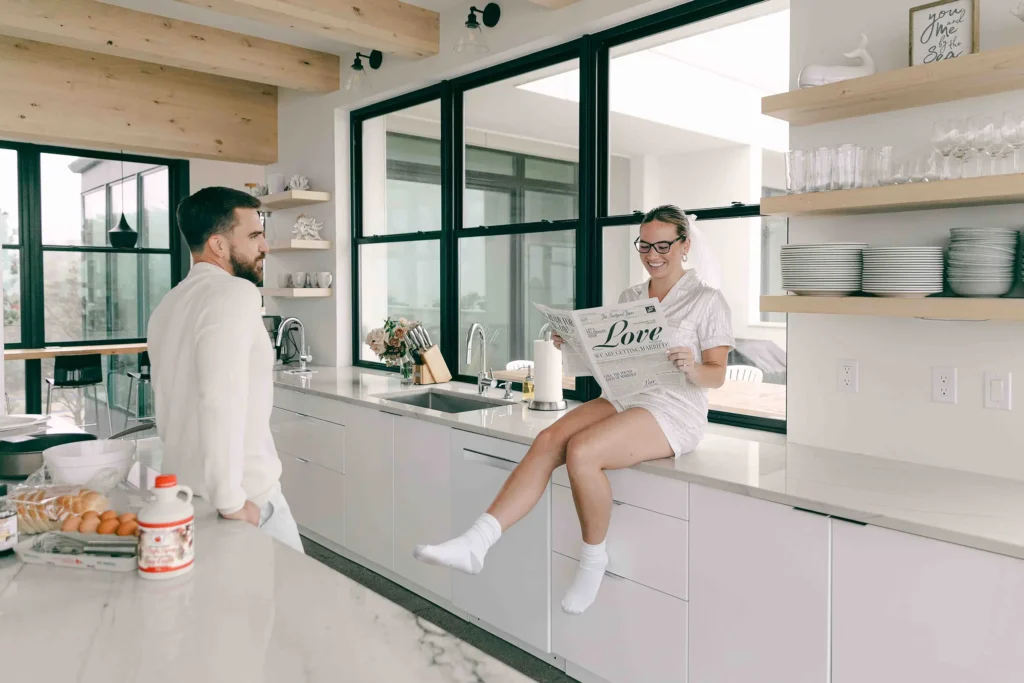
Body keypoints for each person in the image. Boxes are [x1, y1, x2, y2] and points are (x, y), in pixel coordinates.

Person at [415, 204, 733, 614]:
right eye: (644, 245)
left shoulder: (707, 301)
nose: (653, 254)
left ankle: (593, 558)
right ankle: (476, 542)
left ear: (684, 244)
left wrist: (692, 366)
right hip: (626, 396)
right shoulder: (631, 298)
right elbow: (614, 362)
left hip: (673, 408)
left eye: (663, 245)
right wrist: (578, 346)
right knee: (548, 440)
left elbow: (717, 375)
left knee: (582, 451)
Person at [148, 186, 304, 553]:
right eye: (254, 235)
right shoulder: (235, 293)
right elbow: (220, 399)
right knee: (301, 605)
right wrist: (231, 500)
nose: (265, 246)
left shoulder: (167, 305)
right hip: (244, 494)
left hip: (186, 493)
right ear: (218, 245)